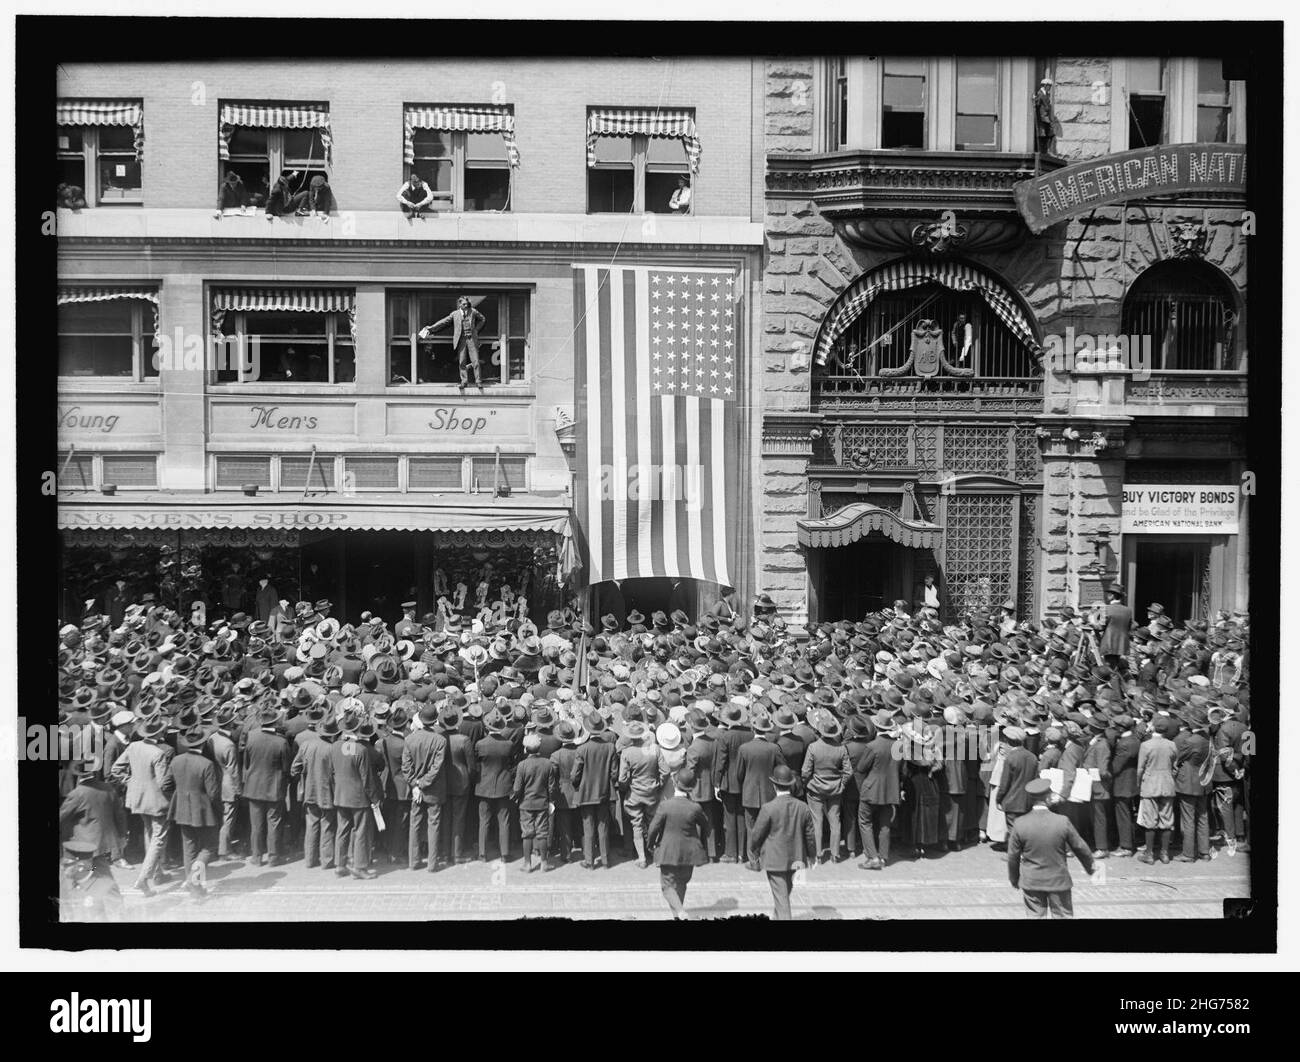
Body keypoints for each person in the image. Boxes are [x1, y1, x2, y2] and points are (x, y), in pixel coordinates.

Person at [1007, 777, 1095, 918]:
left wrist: (1014, 878)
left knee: (1035, 916)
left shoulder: (1020, 823)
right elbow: (1080, 847)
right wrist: (1090, 868)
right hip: (1058, 880)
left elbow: (1012, 856)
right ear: (1048, 797)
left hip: (1031, 881)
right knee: (1062, 915)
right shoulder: (1062, 821)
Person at [110, 713, 174, 895]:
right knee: (158, 838)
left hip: (138, 798)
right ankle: (143, 879)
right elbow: (164, 784)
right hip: (157, 800)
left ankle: (157, 873)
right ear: (160, 734)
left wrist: (130, 781)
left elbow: (116, 769)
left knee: (149, 834)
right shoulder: (159, 753)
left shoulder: (133, 746)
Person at [748, 763, 817, 921]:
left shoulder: (768, 808)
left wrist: (754, 854)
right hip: (796, 859)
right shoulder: (803, 807)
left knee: (782, 898)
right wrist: (812, 856)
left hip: (775, 859)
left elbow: (756, 835)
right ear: (791, 784)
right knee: (784, 895)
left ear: (773, 785)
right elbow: (810, 835)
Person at [646, 766, 711, 919]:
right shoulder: (695, 807)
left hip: (668, 851)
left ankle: (680, 912)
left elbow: (653, 829)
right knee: (681, 884)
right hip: (690, 853)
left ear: (675, 784)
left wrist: (650, 845)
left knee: (667, 886)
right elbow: (707, 827)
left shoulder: (665, 806)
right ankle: (678, 915)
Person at [168, 724, 222, 893]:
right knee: (209, 847)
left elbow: (167, 784)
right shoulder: (206, 764)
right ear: (203, 743)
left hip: (182, 808)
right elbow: (213, 793)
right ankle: (193, 880)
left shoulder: (176, 760)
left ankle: (193, 886)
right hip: (203, 810)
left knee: (189, 848)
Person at [331, 713, 382, 879]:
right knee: (360, 832)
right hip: (359, 798)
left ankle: (340, 864)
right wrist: (374, 798)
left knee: (342, 830)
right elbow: (367, 779)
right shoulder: (361, 749)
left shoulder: (336, 746)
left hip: (340, 795)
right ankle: (359, 867)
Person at [242, 704, 292, 866]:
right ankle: (273, 856)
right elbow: (286, 768)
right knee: (274, 823)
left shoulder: (251, 736)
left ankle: (256, 857)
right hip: (274, 788)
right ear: (275, 722)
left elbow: (246, 762)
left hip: (254, 787)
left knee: (256, 825)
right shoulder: (281, 742)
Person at [800, 715, 853, 863]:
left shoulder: (813, 747)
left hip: (815, 788)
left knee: (817, 822)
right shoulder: (841, 748)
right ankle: (835, 854)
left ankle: (817, 854)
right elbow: (848, 771)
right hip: (835, 789)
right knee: (835, 822)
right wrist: (841, 785)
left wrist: (808, 783)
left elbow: (805, 771)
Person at [571, 710, 619, 869]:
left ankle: (589, 861)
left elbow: (575, 774)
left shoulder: (582, 749)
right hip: (604, 791)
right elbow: (614, 773)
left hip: (586, 792)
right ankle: (605, 860)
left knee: (588, 827)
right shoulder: (610, 747)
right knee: (603, 826)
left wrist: (577, 784)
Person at [404, 704, 449, 870]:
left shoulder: (410, 739)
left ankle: (414, 861)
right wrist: (423, 783)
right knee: (434, 825)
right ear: (435, 720)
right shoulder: (440, 740)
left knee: (414, 824)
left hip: (416, 790)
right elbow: (436, 767)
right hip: (434, 789)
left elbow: (406, 766)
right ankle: (432, 862)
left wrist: (415, 784)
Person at [855, 710, 900, 871]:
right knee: (885, 825)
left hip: (871, 789)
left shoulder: (872, 746)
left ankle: (872, 856)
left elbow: (861, 768)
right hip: (890, 790)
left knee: (865, 822)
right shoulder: (897, 746)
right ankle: (883, 856)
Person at [418, 295, 487, 391]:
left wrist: (476, 330)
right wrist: (431, 328)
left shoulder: (473, 311)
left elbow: (482, 319)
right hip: (461, 339)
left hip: (471, 339)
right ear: (459, 305)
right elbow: (443, 322)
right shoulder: (455, 314)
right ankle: (464, 381)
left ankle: (478, 381)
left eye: (467, 304)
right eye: (464, 304)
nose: (466, 306)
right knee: (462, 361)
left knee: (475, 360)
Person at [1136, 715, 1178, 864]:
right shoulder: (1171, 745)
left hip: (1150, 784)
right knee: (1166, 820)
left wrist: (1138, 783)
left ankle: (1149, 854)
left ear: (1153, 727)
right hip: (1167, 784)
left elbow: (1140, 768)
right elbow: (1174, 766)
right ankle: (1164, 854)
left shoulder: (1146, 745)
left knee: (1150, 820)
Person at [512, 733, 552, 872]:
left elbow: (517, 788)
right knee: (542, 833)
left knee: (527, 833)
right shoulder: (547, 763)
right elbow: (551, 786)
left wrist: (516, 796)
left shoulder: (522, 765)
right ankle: (544, 863)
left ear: (526, 749)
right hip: (542, 802)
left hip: (526, 803)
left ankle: (527, 864)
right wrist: (550, 800)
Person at [59, 839, 124, 923]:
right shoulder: (63, 881)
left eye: (66, 865)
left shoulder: (106, 887)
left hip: (93, 861)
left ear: (80, 866)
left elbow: (117, 917)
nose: (61, 868)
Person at [1100, 587, 1133, 672]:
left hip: (1109, 643)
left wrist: (1092, 624)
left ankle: (1113, 684)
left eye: (1109, 594)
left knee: (1110, 669)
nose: (1107, 595)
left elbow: (1100, 627)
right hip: (1122, 644)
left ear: (1112, 596)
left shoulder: (1105, 609)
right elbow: (1129, 627)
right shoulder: (1128, 610)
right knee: (1115, 666)